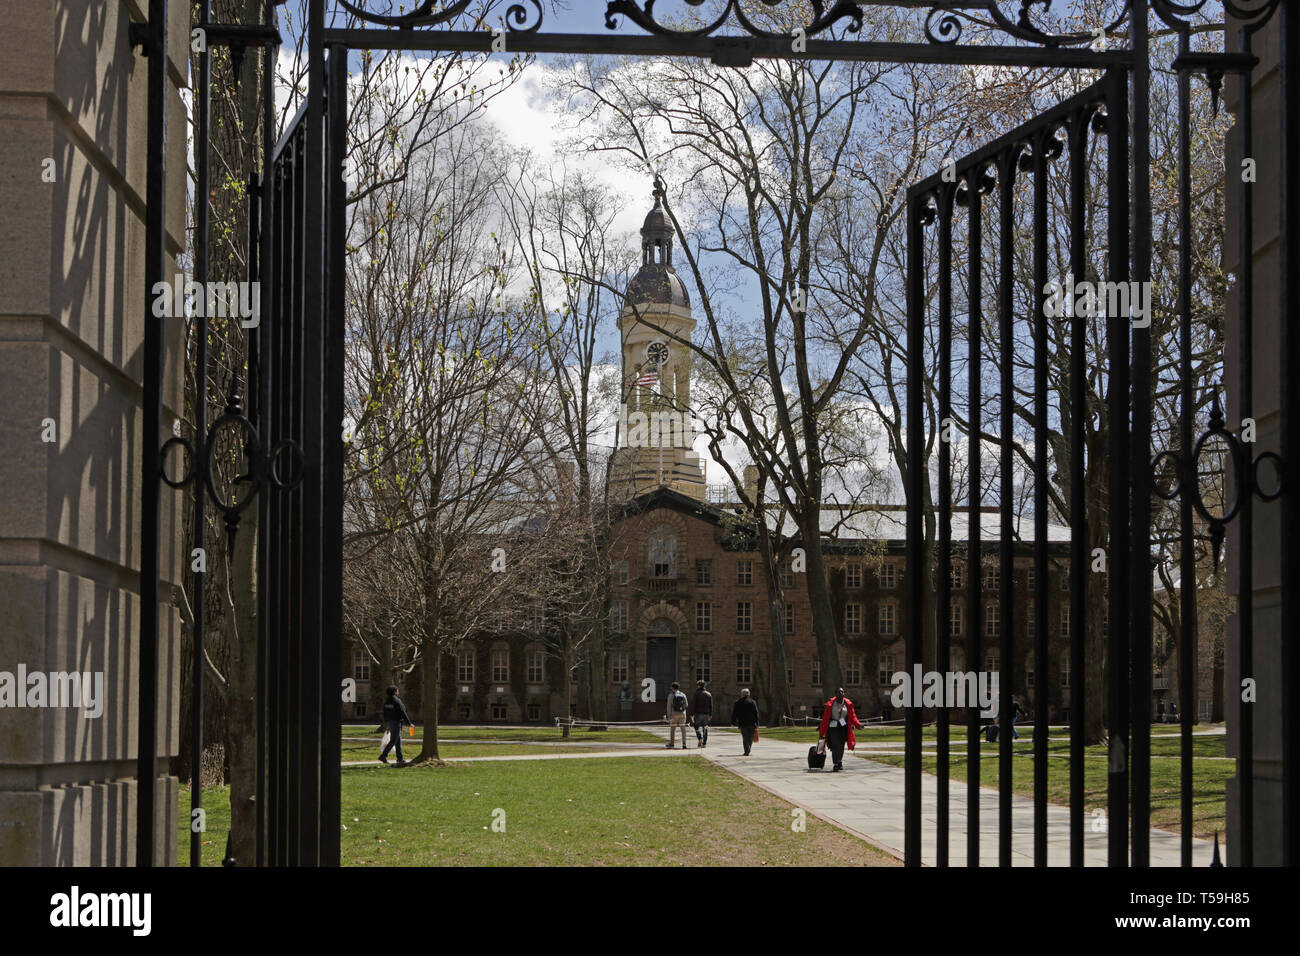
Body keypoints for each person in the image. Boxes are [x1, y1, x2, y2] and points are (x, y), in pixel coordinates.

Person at [817, 687, 862, 771]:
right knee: (835, 745)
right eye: (839, 692)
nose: (841, 694)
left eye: (842, 692)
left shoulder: (848, 704)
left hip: (843, 727)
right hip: (833, 727)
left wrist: (858, 725)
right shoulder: (830, 704)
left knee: (841, 746)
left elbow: (853, 717)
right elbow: (825, 718)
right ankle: (836, 763)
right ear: (836, 694)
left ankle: (839, 761)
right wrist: (822, 730)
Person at [380, 685, 413, 766]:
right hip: (396, 723)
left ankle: (400, 759)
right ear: (394, 692)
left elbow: (385, 714)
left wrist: (387, 725)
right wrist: (409, 724)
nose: (398, 692)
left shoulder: (386, 701)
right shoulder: (397, 701)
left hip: (390, 722)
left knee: (398, 741)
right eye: (397, 691)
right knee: (393, 741)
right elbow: (403, 712)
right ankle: (383, 756)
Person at [730, 688, 760, 755]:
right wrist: (757, 722)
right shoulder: (753, 702)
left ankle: (747, 750)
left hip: (742, 723)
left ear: (742, 694)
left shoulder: (737, 702)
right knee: (751, 737)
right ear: (748, 694)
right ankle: (748, 748)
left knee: (745, 737)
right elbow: (756, 713)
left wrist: (733, 722)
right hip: (752, 723)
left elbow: (735, 713)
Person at [666, 681, 690, 749]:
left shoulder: (671, 695)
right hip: (682, 714)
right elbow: (687, 705)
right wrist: (682, 710)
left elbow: (669, 706)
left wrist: (669, 715)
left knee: (673, 729)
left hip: (674, 714)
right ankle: (684, 744)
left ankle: (672, 743)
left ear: (672, 688)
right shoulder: (683, 694)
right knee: (683, 729)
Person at [689, 679, 713, 748]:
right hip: (706, 714)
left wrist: (691, 713)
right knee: (705, 729)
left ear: (699, 686)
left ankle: (700, 738)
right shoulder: (709, 694)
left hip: (698, 713)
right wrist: (710, 714)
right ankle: (704, 743)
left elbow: (693, 704)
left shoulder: (696, 693)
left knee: (696, 727)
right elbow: (711, 705)